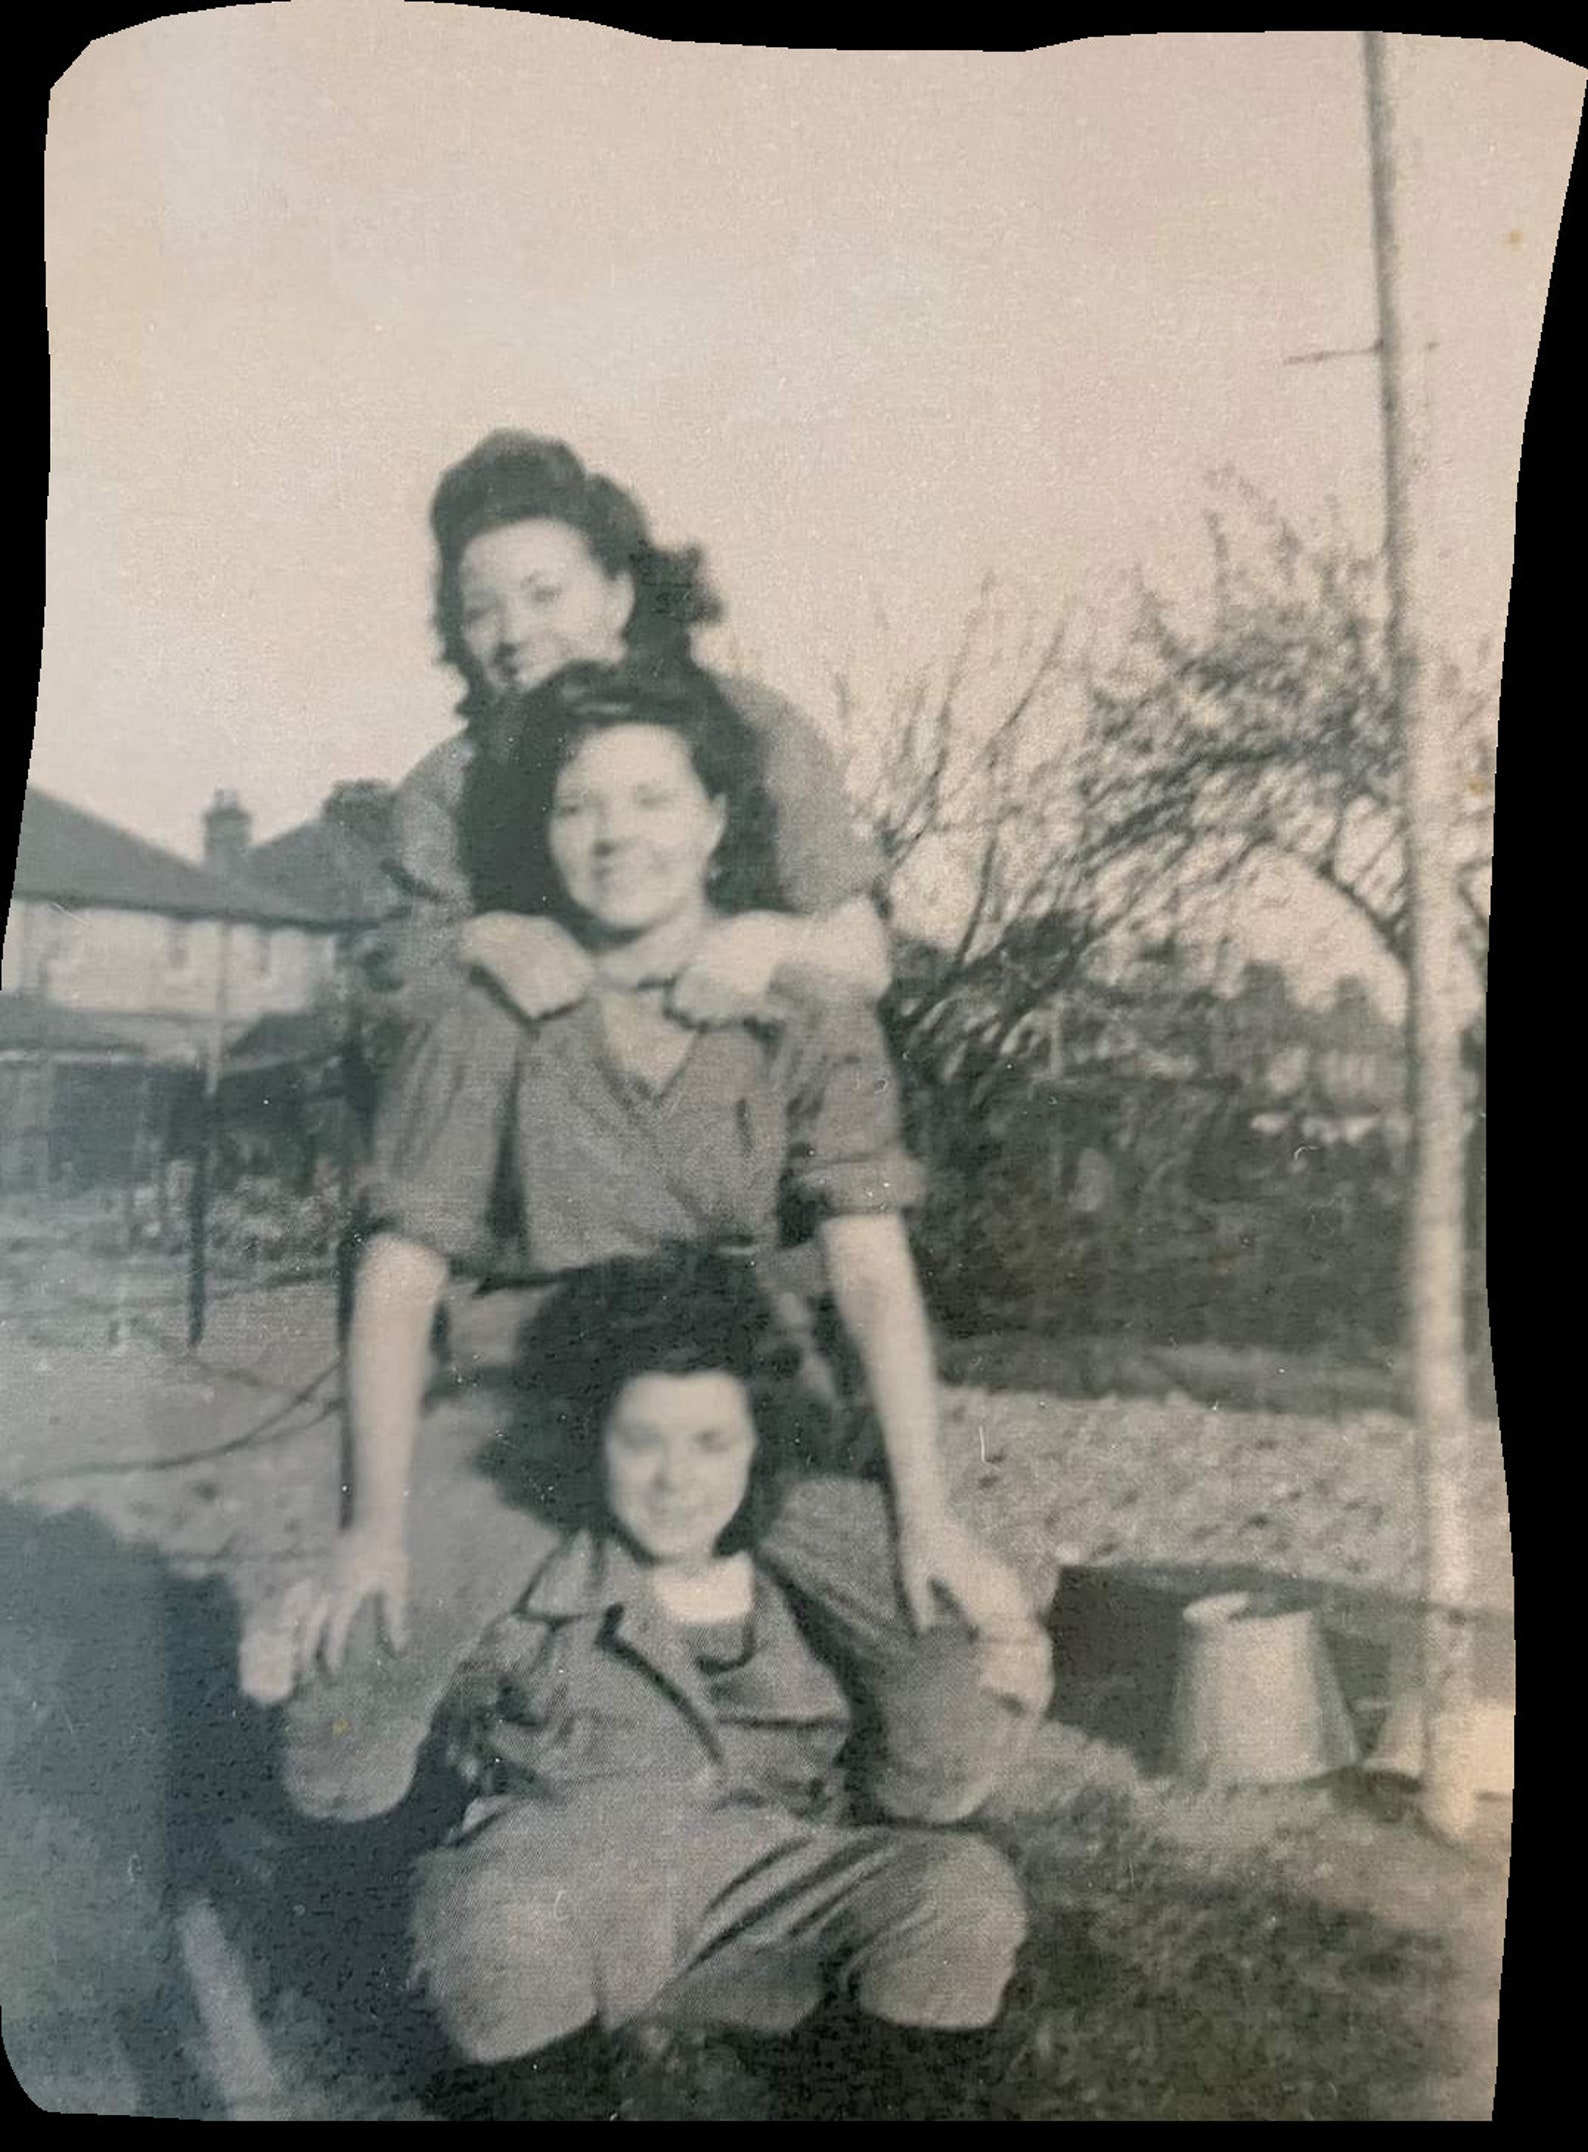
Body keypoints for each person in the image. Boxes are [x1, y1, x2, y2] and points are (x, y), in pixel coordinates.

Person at [283, 659, 1050, 1832]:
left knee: (946, 1745)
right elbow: (396, 1284)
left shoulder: (804, 1011)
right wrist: (372, 1533)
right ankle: (520, 1737)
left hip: (736, 1408)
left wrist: (928, 1510)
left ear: (714, 820)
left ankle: (765, 1778)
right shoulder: (488, 1017)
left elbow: (871, 1277)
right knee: (334, 1764)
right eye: (578, 804)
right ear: (544, 832)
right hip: (529, 1415)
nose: (613, 835)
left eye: (650, 800)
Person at [386, 1251, 1033, 2121]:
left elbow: (949, 1711)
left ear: (759, 1441)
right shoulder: (534, 1568)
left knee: (961, 1888)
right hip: (568, 1884)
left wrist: (1008, 1640)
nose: (675, 1480)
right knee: (484, 1924)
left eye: (710, 1443)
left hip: (771, 1882)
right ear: (592, 1439)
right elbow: (383, 1712)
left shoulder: (816, 1565)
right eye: (640, 1441)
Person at [377, 429, 891, 1038]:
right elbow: (392, 994)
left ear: (618, 597)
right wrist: (479, 940)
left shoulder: (755, 729)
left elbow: (864, 958)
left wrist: (765, 943)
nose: (513, 634)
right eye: (480, 610)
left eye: (545, 595)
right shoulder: (447, 788)